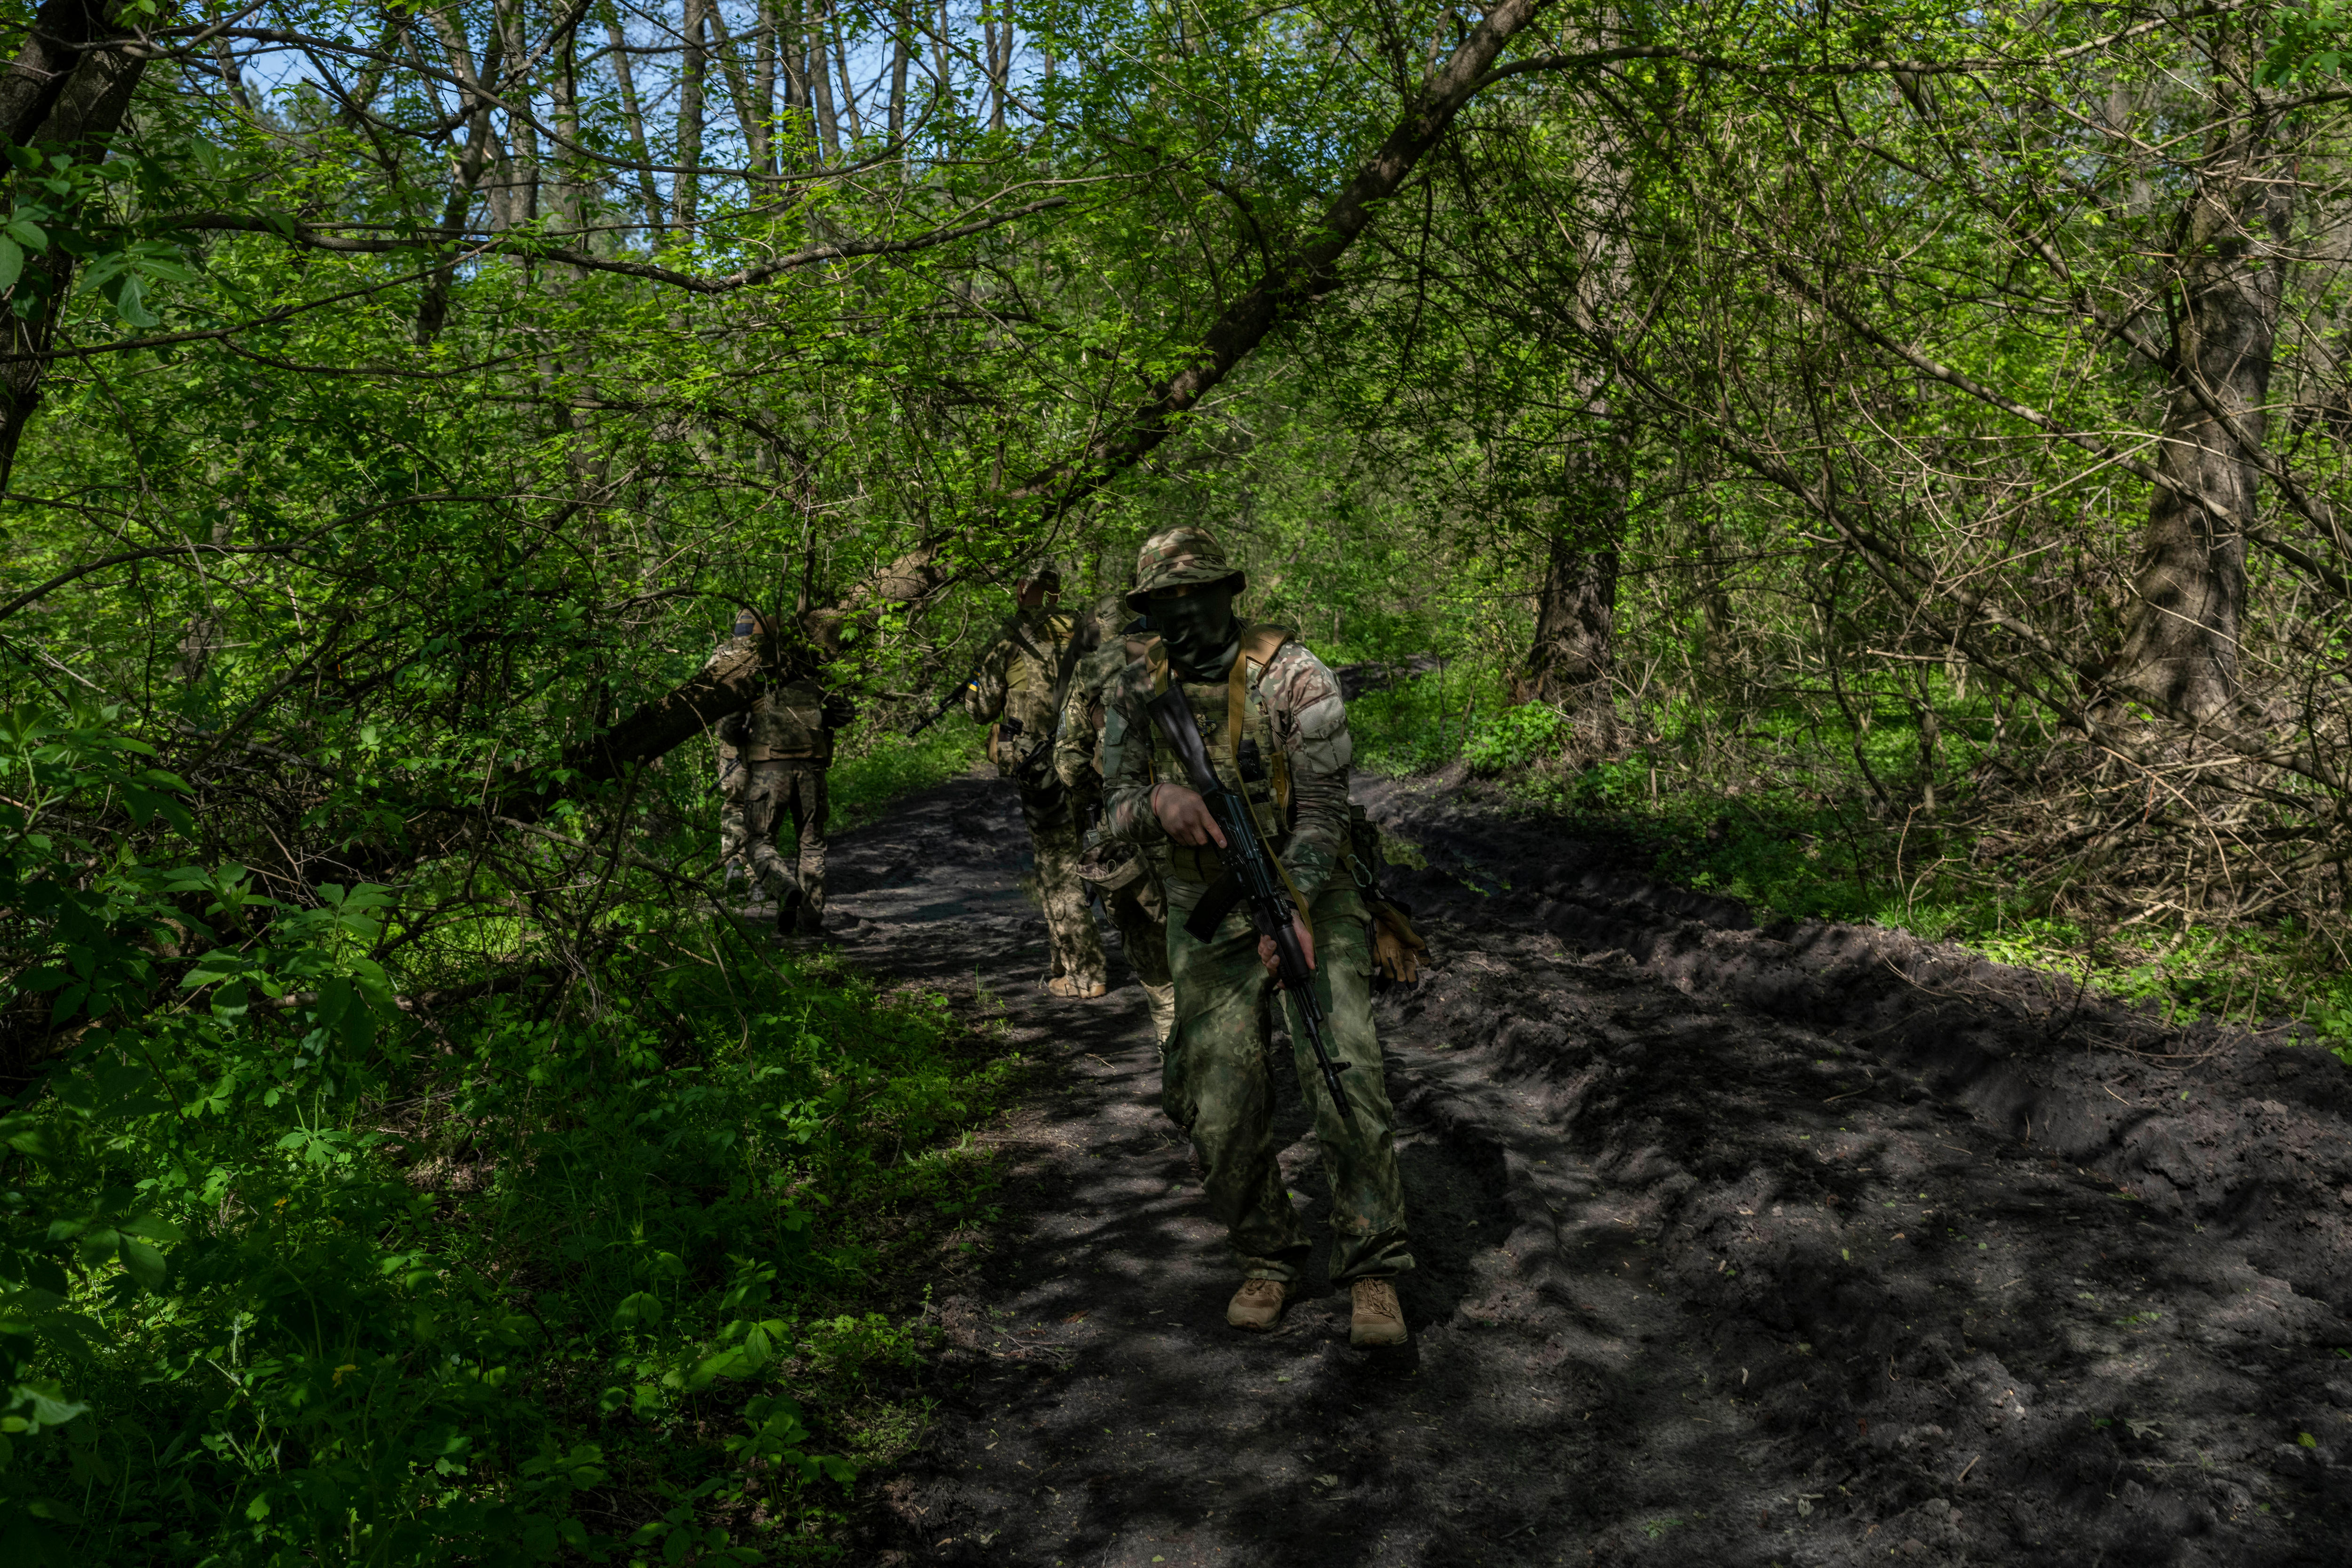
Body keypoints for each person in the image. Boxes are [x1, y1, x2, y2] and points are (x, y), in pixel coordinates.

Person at [1099, 526, 1412, 1348]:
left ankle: (1373, 1263)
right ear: (1149, 610)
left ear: (1229, 596)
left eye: (1199, 595)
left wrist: (1295, 908)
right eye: (1166, 601)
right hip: (1203, 904)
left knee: (1343, 1065)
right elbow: (1112, 800)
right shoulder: (1134, 684)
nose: (1185, 612)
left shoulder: (1296, 675)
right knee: (1218, 1098)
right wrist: (1156, 804)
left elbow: (1324, 811)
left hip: (1310, 887)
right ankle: (1267, 1256)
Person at [964, 563, 1106, 996]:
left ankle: (1085, 975)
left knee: (1058, 864)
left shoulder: (1012, 636)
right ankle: (1064, 961)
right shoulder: (1088, 628)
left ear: (1024, 587)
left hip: (1041, 766)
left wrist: (975, 683)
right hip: (1093, 761)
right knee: (1092, 850)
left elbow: (980, 708)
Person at [1057, 589, 1176, 1045]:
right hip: (1209, 832)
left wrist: (1100, 799)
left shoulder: (1096, 665)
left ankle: (1177, 1063)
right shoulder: (1216, 655)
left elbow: (1068, 762)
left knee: (1158, 975)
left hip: (1129, 838)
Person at [713, 609, 858, 936]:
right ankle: (811, 920)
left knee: (757, 838)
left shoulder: (750, 669)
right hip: (813, 769)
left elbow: (729, 726)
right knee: (813, 844)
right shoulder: (809, 667)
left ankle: (783, 887)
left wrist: (740, 737)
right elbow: (844, 710)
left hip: (768, 770)